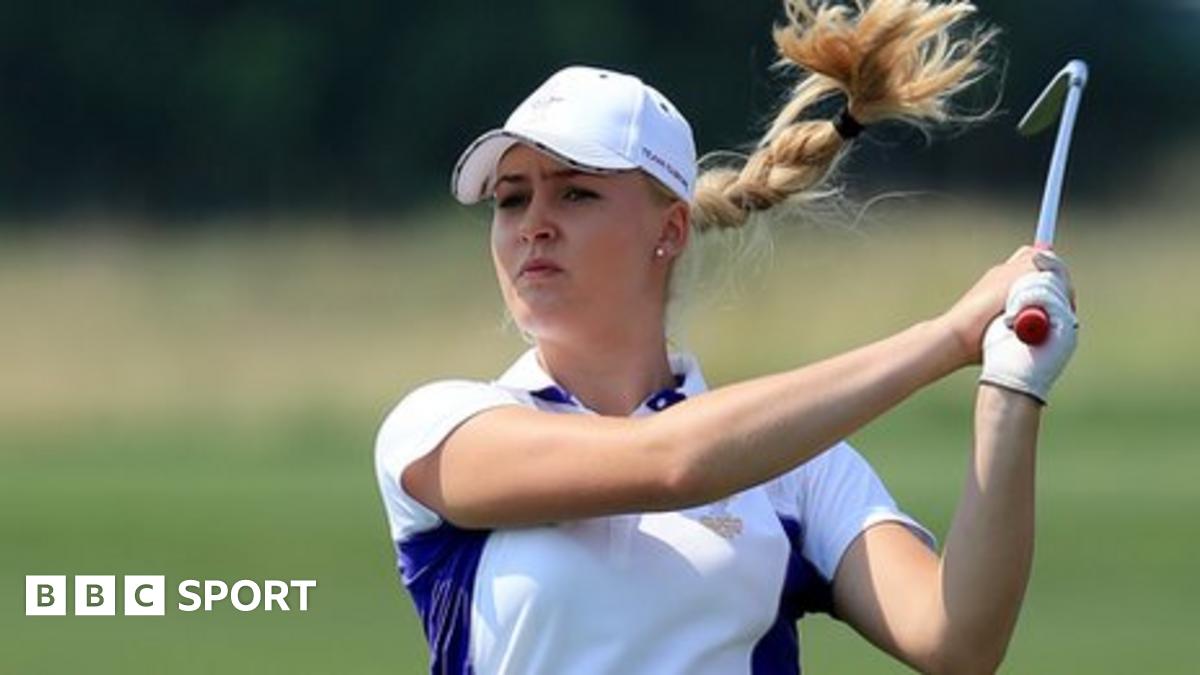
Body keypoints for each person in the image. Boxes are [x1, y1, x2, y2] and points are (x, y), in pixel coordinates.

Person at [374, 1, 1078, 673]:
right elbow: (672, 462)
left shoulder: (795, 467)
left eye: (576, 192)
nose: (534, 223)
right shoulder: (437, 426)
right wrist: (947, 338)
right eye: (512, 198)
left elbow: (957, 640)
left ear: (669, 230)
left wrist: (1009, 388)